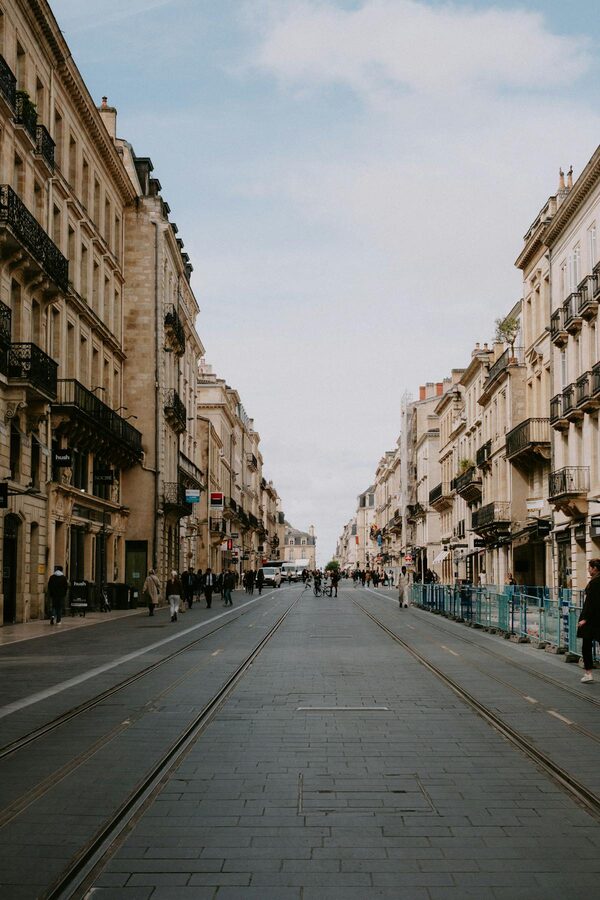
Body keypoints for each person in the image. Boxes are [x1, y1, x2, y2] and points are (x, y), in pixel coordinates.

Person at [578, 558, 600, 683]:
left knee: (586, 645)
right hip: (596, 618)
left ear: (594, 568)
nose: (588, 569)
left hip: (592, 620)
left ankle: (588, 673)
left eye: (589, 567)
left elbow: (591, 603)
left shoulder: (595, 582)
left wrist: (585, 619)